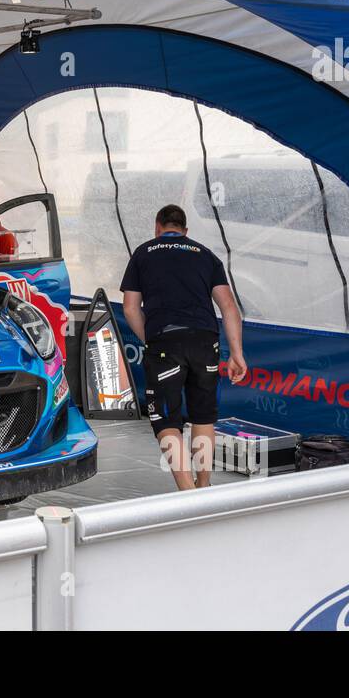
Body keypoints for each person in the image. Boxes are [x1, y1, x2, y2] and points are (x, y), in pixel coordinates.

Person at [121, 204, 247, 492]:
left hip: (166, 341)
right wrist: (237, 353)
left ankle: (188, 494)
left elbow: (130, 308)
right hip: (205, 342)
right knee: (203, 416)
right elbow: (229, 308)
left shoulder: (143, 253)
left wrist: (149, 339)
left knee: (166, 420)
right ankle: (204, 485)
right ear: (185, 231)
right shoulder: (205, 255)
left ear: (157, 227)